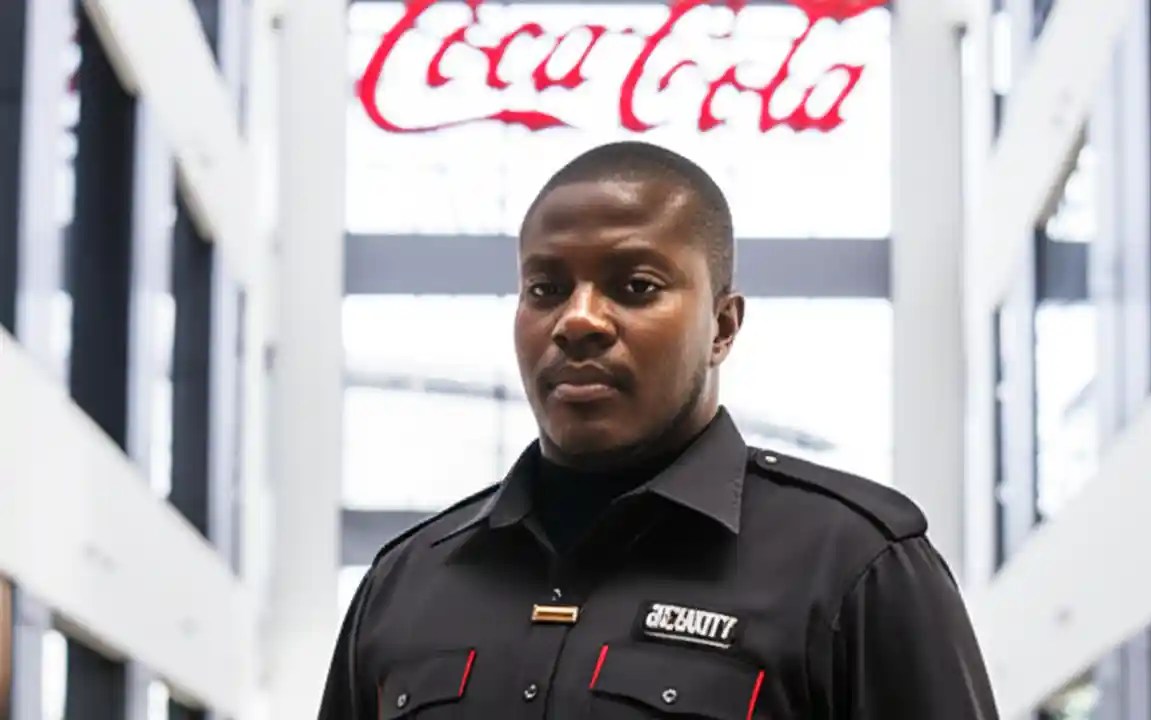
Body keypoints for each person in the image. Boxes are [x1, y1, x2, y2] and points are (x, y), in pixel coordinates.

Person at [318, 141, 999, 719]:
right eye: (545, 288)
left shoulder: (854, 567)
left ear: (723, 328)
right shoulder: (406, 582)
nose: (578, 319)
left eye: (636, 286)